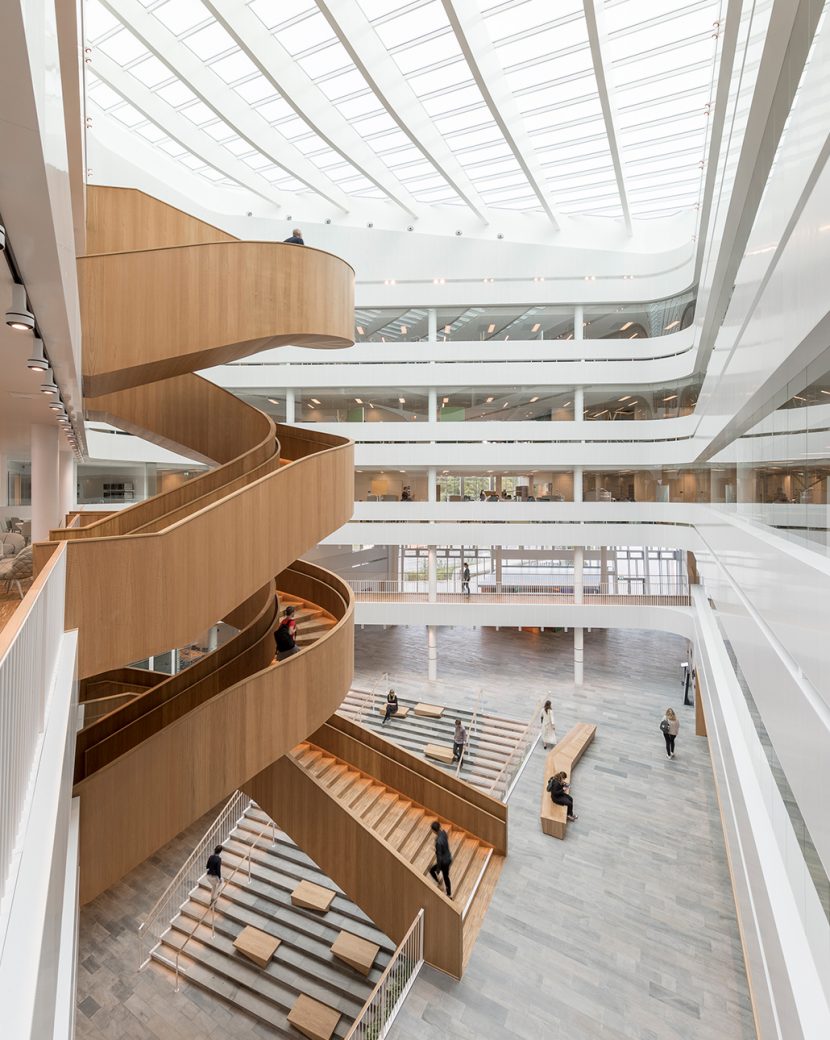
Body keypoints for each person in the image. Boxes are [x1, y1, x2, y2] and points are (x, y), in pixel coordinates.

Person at [428, 821, 453, 898]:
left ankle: (441, 885)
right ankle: (448, 893)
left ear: (433, 830)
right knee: (446, 876)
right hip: (449, 858)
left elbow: (439, 857)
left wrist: (438, 868)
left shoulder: (438, 842)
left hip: (444, 862)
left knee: (432, 870)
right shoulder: (444, 833)